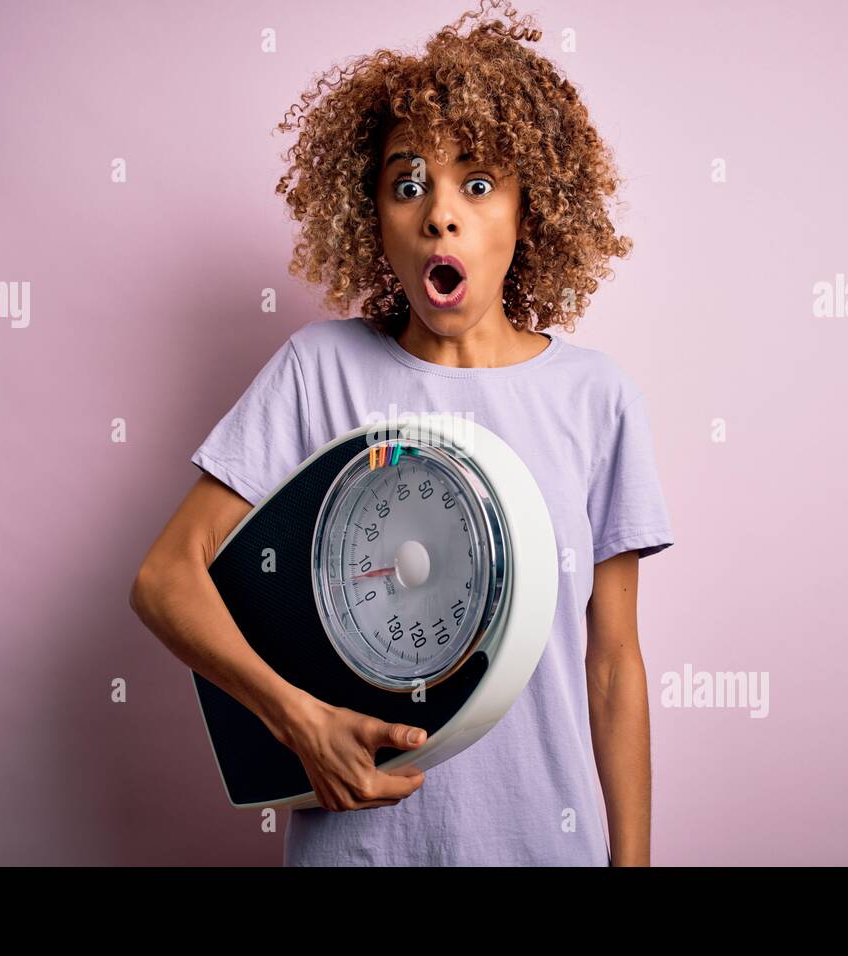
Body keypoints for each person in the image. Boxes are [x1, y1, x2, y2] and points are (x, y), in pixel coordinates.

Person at [130, 0, 674, 866]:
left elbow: (612, 666)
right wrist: (300, 722)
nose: (440, 214)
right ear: (372, 216)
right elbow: (165, 580)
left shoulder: (596, 400)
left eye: (479, 182)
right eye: (407, 182)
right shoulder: (318, 372)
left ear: (529, 211)